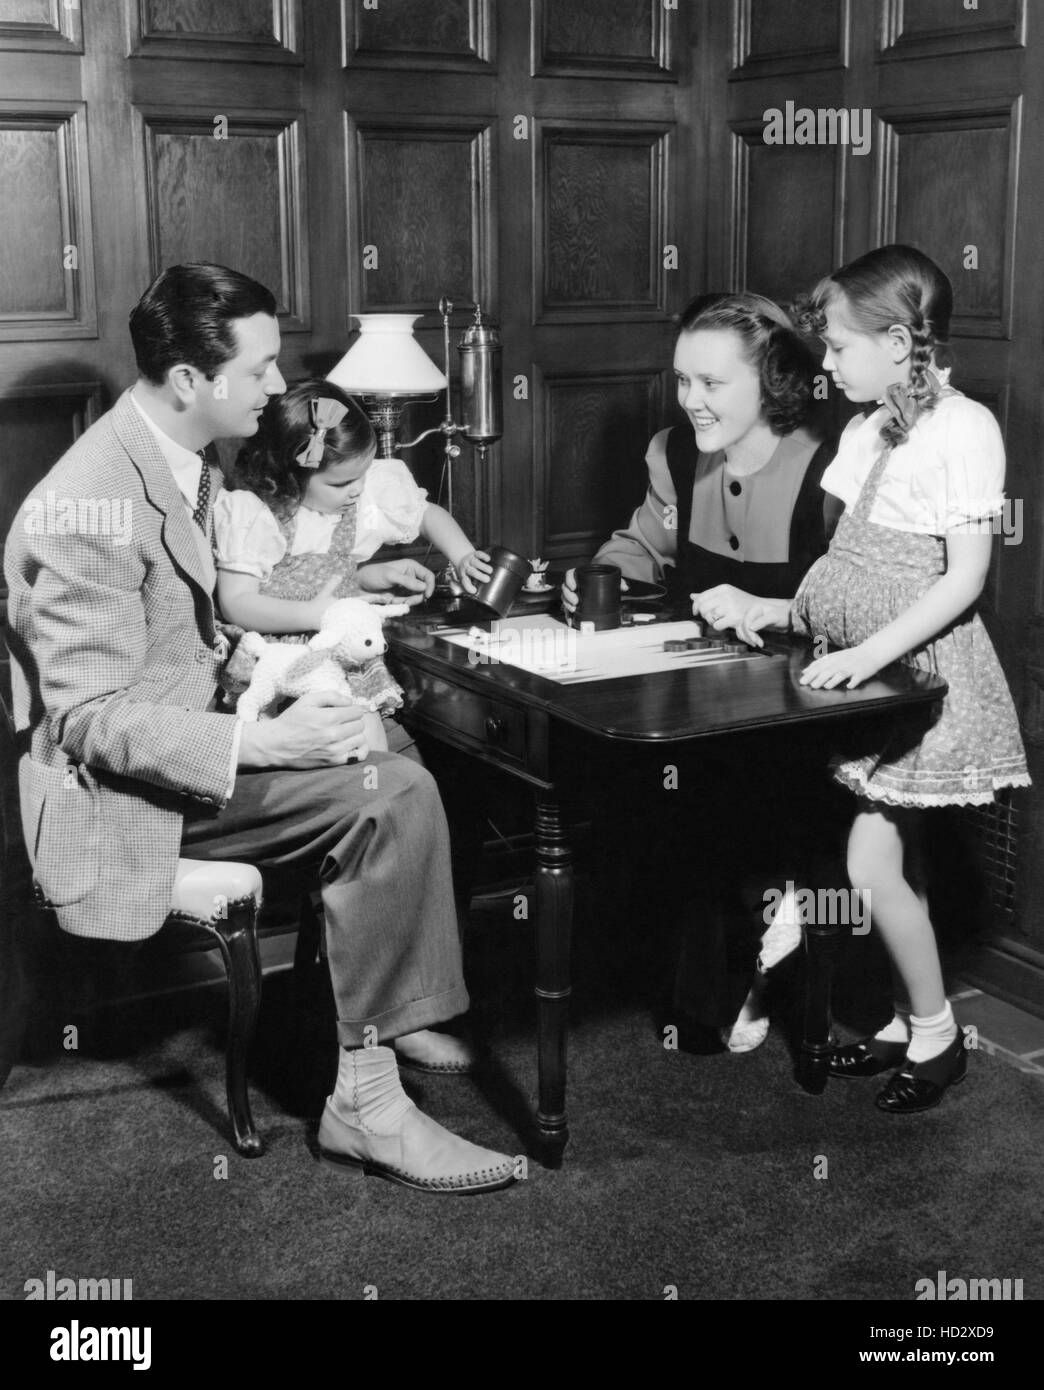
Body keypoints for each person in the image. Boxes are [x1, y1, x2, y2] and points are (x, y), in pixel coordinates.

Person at [4, 262, 518, 1192]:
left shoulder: (174, 456)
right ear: (193, 380)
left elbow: (185, 633)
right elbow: (84, 719)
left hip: (186, 738)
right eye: (264, 369)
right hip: (118, 798)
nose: (283, 389)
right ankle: (366, 1107)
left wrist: (258, 672)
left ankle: (382, 1023)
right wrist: (263, 741)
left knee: (396, 751)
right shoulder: (88, 503)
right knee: (391, 795)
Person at [735, 244, 1030, 1112]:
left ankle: (938, 1037)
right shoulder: (869, 427)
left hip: (921, 681)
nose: (825, 364)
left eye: (837, 346)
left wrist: (867, 655)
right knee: (902, 859)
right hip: (866, 678)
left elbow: (962, 578)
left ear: (901, 343)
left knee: (869, 864)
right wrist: (769, 608)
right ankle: (907, 1019)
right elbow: (844, 560)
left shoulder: (963, 428)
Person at [562, 292, 840, 1052]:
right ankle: (719, 979)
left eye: (712, 385)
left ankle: (763, 958)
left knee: (730, 794)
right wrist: (593, 577)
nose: (691, 402)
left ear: (773, 381)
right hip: (702, 694)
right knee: (643, 779)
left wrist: (776, 606)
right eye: (683, 381)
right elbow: (642, 543)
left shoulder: (832, 463)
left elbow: (863, 600)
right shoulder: (673, 453)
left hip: (815, 697)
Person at [213, 380, 493, 751]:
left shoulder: (360, 499)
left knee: (369, 737)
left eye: (362, 475)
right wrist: (315, 615)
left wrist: (463, 555)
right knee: (337, 739)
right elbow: (236, 602)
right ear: (290, 474)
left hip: (341, 652)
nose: (358, 489)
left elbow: (426, 515)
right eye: (342, 482)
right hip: (281, 658)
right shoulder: (257, 515)